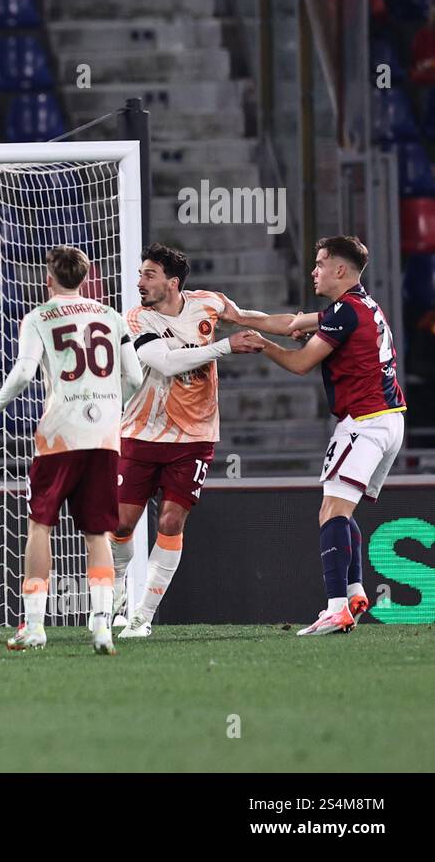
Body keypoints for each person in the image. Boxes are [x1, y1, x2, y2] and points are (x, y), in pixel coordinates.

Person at [226, 236, 405, 636]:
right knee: (342, 509)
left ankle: (336, 606)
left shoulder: (343, 312)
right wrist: (238, 317)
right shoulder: (360, 305)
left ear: (340, 270)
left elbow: (300, 363)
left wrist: (263, 346)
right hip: (389, 419)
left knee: (331, 512)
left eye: (321, 263)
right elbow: (290, 323)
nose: (314, 270)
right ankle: (355, 593)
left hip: (366, 419)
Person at [0, 245, 143, 654]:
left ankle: (34, 626)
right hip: (104, 433)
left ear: (48, 279)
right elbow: (136, 378)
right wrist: (107, 404)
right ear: (85, 277)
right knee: (97, 530)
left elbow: (23, 373)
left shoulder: (38, 318)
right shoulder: (111, 316)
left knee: (40, 524)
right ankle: (102, 627)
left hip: (60, 434)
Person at [112, 243, 266, 638]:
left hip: (194, 436)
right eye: (140, 273)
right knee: (121, 523)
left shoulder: (208, 304)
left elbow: (249, 318)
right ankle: (115, 603)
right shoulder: (138, 318)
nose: (139, 281)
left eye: (148, 275)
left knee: (170, 520)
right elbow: (164, 362)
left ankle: (141, 618)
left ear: (172, 282)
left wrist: (306, 322)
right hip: (142, 432)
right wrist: (226, 346)